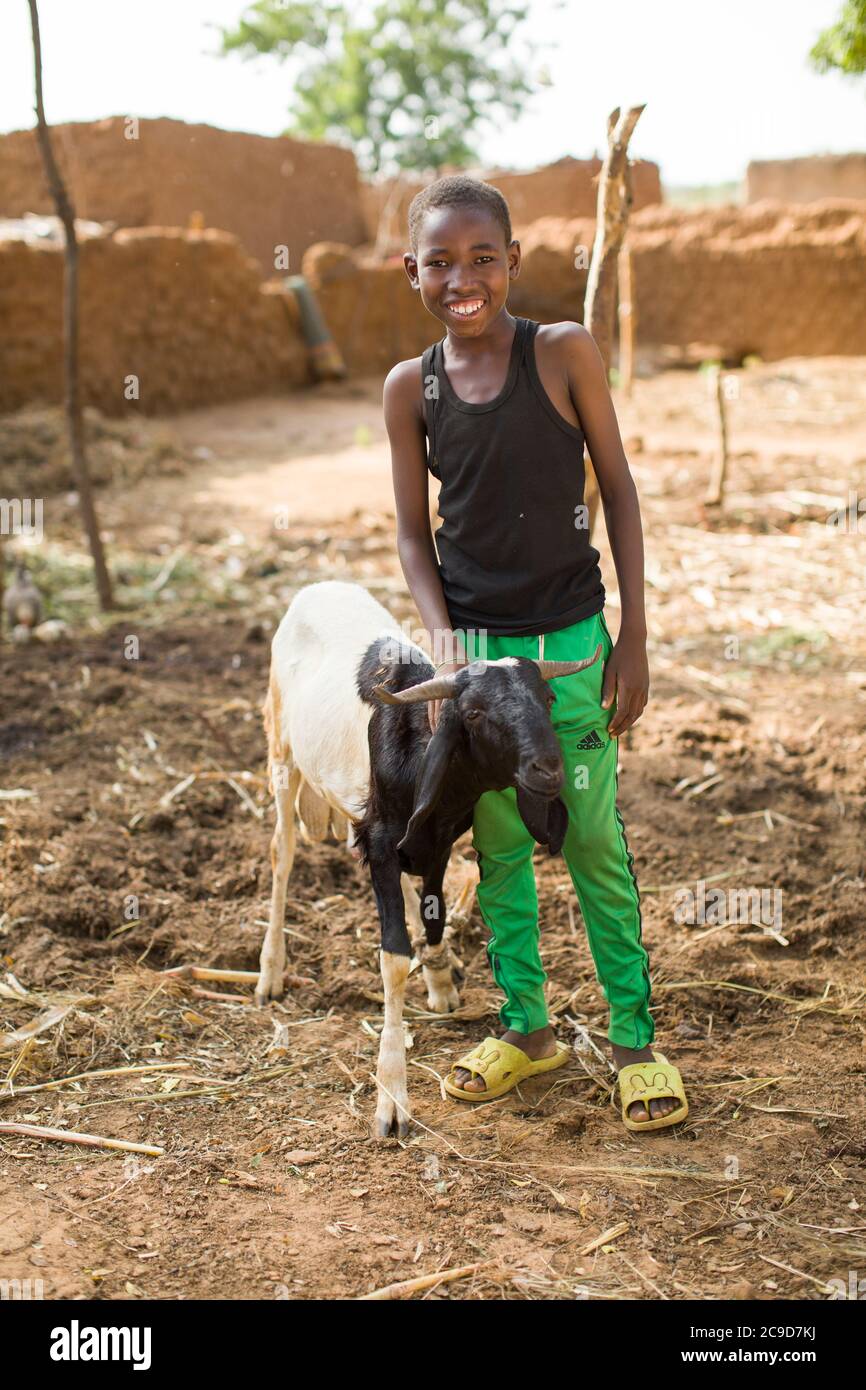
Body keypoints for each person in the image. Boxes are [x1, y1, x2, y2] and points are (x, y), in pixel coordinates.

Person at [382, 175, 687, 1131]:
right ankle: (528, 1028)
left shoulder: (560, 354)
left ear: (514, 261)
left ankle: (634, 1039)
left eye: (482, 258)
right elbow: (410, 535)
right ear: (412, 272)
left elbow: (621, 491)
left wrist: (632, 635)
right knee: (503, 844)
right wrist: (447, 646)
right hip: (479, 664)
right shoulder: (410, 389)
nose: (461, 278)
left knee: (589, 835)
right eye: (440, 262)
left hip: (566, 650)